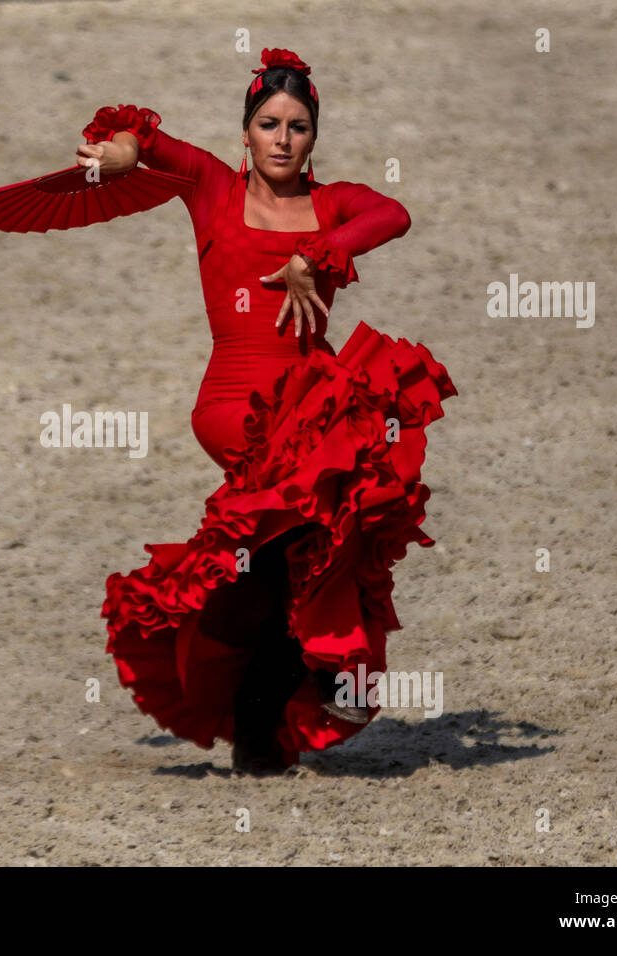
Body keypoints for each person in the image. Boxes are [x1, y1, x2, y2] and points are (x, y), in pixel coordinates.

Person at [77, 48, 457, 774]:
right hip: (233, 409)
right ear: (244, 135)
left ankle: (263, 719)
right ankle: (328, 672)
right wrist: (124, 154)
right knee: (316, 516)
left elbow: (395, 213)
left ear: (313, 138)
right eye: (269, 124)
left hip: (312, 411)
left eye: (299, 127)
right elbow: (147, 141)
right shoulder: (212, 190)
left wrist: (319, 255)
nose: (283, 139)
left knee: (291, 557)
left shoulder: (332, 202)